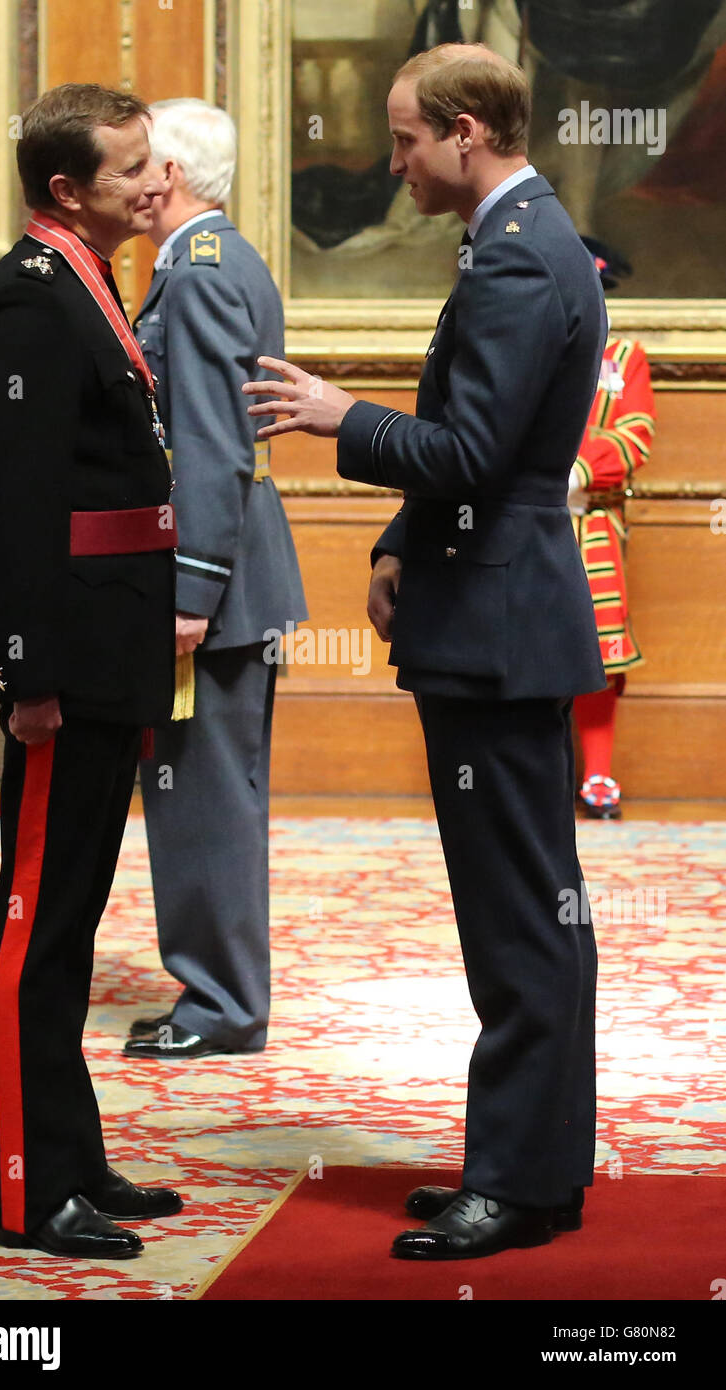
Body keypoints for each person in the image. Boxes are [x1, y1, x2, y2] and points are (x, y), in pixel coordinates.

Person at [244, 42, 607, 1260]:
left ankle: (517, 1181)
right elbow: (473, 446)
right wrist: (405, 538)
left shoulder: (514, 257)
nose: (390, 161)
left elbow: (471, 454)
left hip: (497, 629)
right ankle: (532, 1165)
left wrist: (342, 416)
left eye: (404, 139)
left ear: (465, 133)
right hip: (492, 607)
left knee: (517, 917)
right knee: (527, 905)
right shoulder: (521, 238)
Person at [0, 83, 184, 1259]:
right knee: (36, 920)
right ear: (67, 191)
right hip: (65, 661)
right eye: (132, 166)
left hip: (110, 644)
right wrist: (26, 671)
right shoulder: (27, 305)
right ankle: (30, 1188)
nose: (157, 178)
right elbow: (16, 507)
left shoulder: (86, 282)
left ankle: (75, 1153)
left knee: (74, 923)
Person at [123, 99, 307, 1061]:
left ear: (171, 174)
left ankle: (221, 1005)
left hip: (217, 582)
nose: (127, 174)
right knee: (209, 791)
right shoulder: (213, 260)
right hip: (237, 567)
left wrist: (190, 591)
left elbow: (205, 442)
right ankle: (217, 991)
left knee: (203, 797)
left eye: (138, 158)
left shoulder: (193, 276)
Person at [569, 243, 655, 818]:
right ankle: (541, 776)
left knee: (600, 657)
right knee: (527, 651)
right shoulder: (533, 347)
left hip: (594, 523)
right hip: (526, 519)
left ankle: (597, 776)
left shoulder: (624, 357)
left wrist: (579, 467)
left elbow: (636, 434)